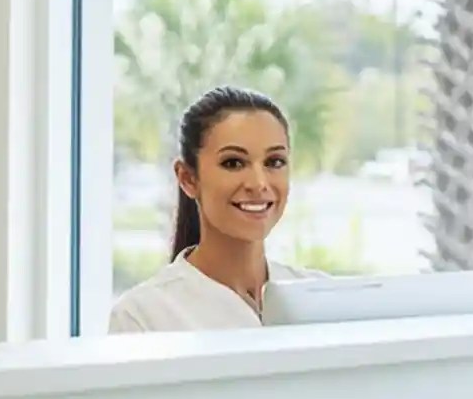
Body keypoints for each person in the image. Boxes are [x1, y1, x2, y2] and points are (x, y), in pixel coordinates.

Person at [109, 86, 325, 333]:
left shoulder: (324, 299)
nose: (259, 183)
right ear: (188, 179)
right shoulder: (142, 317)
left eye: (274, 162)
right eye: (233, 163)